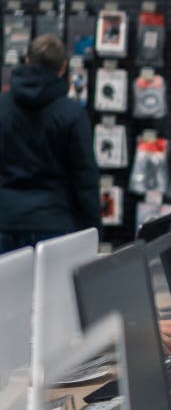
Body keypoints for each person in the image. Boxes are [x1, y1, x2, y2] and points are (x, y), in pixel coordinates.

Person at [0, 33, 101, 253]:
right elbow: (85, 177)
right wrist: (94, 227)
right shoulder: (72, 113)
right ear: (63, 68)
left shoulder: (2, 107)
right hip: (54, 223)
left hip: (5, 221)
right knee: (51, 288)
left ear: (27, 60)